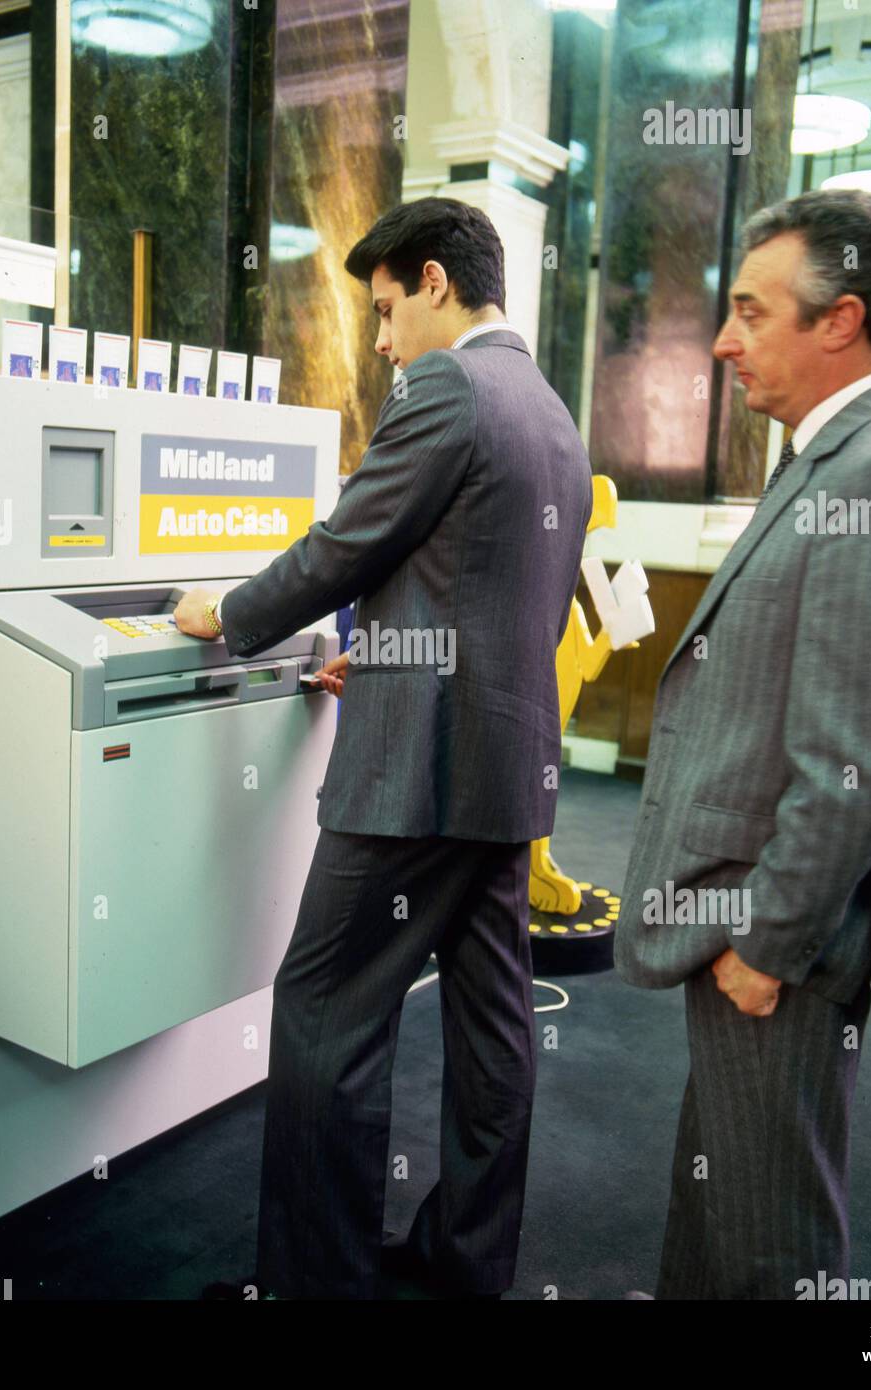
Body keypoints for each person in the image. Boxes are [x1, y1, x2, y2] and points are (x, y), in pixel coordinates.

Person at [174, 197, 592, 1298]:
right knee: (493, 1031)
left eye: (387, 306)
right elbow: (505, 599)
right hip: (507, 769)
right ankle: (461, 1268)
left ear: (437, 284)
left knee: (323, 1013)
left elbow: (346, 543)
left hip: (415, 782)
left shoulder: (447, 384)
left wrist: (225, 611)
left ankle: (317, 1283)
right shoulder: (549, 406)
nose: (381, 336)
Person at [614, 189, 871, 1299]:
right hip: (750, 907)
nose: (722, 339)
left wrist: (767, 944)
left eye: (750, 312)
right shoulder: (837, 454)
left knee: (772, 1243)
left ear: (841, 319)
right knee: (720, 1196)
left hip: (784, 935)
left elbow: (852, 765)